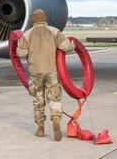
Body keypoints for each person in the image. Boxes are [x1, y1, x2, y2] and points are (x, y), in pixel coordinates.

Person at [16, 9, 74, 140]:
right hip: (52, 71)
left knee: (38, 100)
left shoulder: (27, 34)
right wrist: (73, 46)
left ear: (33, 20)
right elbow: (66, 47)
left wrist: (17, 48)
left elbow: (21, 53)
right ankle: (56, 116)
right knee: (54, 97)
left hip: (35, 72)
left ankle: (40, 129)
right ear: (45, 18)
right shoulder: (54, 31)